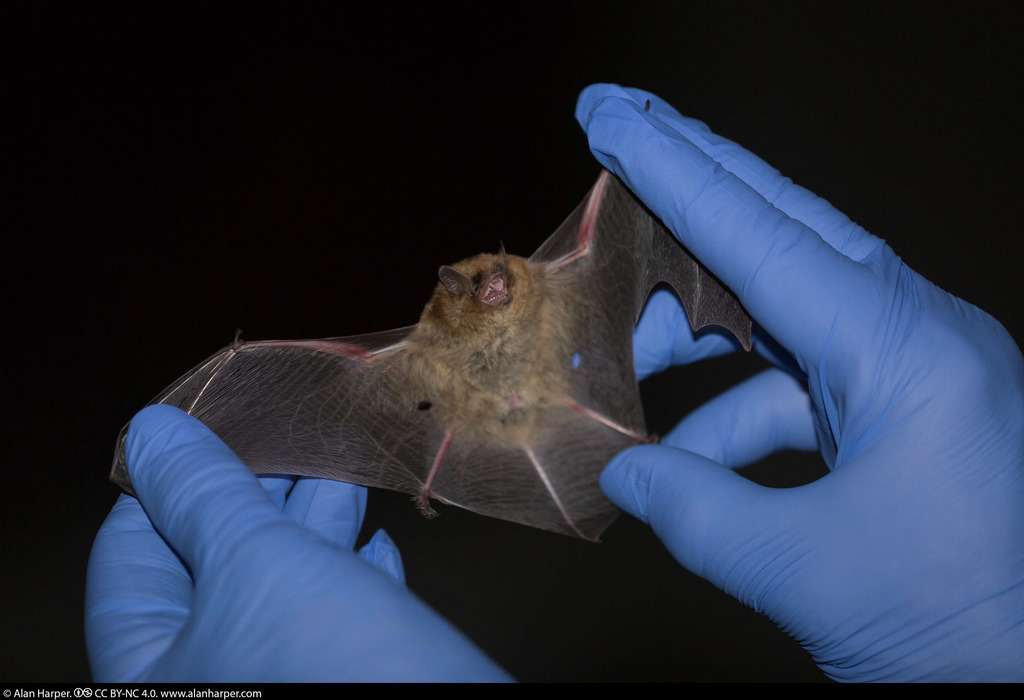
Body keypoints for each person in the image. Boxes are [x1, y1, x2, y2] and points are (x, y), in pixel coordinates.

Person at [86, 84, 1024, 681]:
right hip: (463, 421)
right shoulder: (419, 349)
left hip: (560, 393)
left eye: (499, 275)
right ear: (455, 301)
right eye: (474, 287)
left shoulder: (566, 270)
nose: (491, 287)